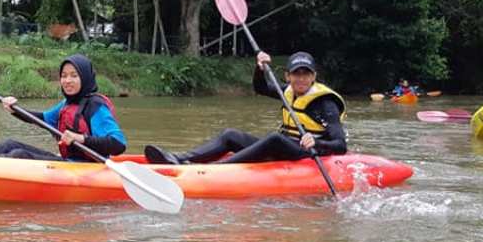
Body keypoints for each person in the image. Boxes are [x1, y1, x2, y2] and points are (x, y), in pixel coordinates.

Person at [144, 51, 346, 165]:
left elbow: (340, 145)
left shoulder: (325, 103)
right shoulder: (287, 91)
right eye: (296, 74)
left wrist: (317, 144)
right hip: (284, 148)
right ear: (287, 76)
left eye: (306, 74)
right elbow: (260, 88)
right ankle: (179, 159)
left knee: (275, 138)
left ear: (313, 76)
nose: (301, 79)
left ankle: (216, 169)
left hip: (308, 154)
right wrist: (259, 69)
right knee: (230, 134)